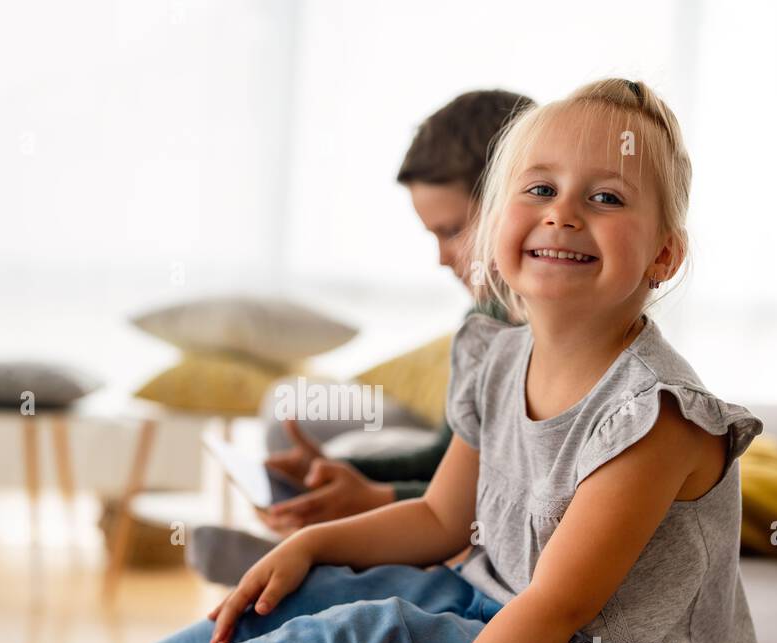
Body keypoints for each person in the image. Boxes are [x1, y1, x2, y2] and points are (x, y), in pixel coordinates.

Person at [0, 77, 765, 643]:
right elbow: (439, 521)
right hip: (502, 608)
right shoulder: (501, 355)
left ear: (662, 257)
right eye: (538, 188)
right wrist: (314, 546)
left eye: (605, 197)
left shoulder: (650, 417)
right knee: (311, 596)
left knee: (369, 636)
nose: (562, 212)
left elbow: (552, 610)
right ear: (500, 216)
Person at [188, 91, 532, 584]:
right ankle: (314, 563)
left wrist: (370, 497)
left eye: (451, 230)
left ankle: (322, 570)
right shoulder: (483, 322)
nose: (441, 258)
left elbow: (488, 502)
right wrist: (337, 470)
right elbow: (446, 460)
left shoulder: (550, 338)